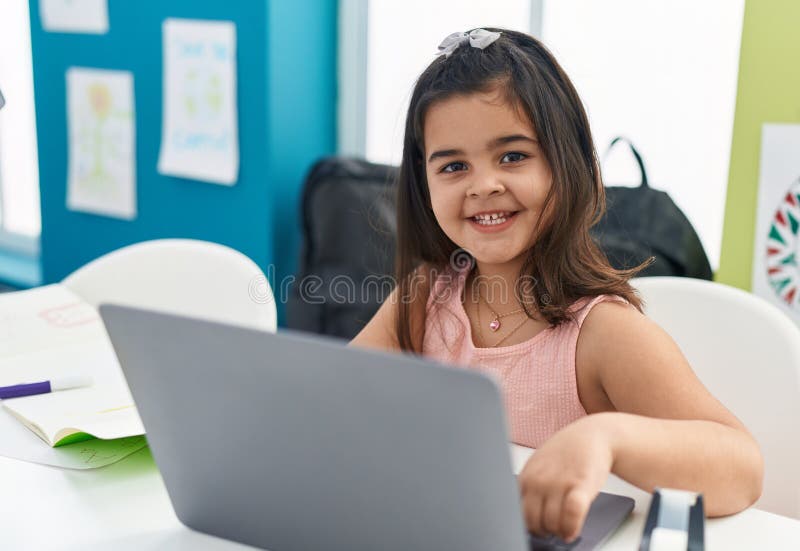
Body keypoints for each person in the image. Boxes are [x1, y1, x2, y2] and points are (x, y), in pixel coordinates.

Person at [350, 28, 763, 543]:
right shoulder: (423, 298)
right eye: (454, 166)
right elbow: (333, 402)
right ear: (424, 182)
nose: (483, 185)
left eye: (512, 156)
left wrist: (606, 437)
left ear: (566, 162)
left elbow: (742, 468)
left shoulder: (603, 334)